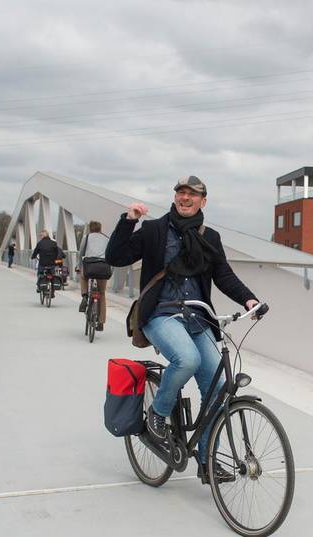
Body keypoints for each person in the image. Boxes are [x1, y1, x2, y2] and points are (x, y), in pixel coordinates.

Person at [105, 175, 260, 483]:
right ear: (175, 197)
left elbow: (223, 275)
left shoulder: (210, 238)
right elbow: (116, 257)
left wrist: (248, 299)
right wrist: (128, 221)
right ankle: (158, 414)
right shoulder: (154, 231)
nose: (185, 198)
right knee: (188, 360)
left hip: (198, 318)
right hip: (160, 314)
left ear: (203, 201)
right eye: (181, 193)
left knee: (218, 387)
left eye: (193, 194)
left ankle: (206, 460)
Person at [78, 221, 111, 329]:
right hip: (103, 267)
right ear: (100, 228)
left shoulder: (86, 237)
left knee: (83, 277)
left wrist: (79, 266)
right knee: (102, 293)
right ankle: (101, 322)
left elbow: (81, 253)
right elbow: (110, 254)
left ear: (90, 228)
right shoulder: (106, 238)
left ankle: (85, 296)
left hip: (89, 267)